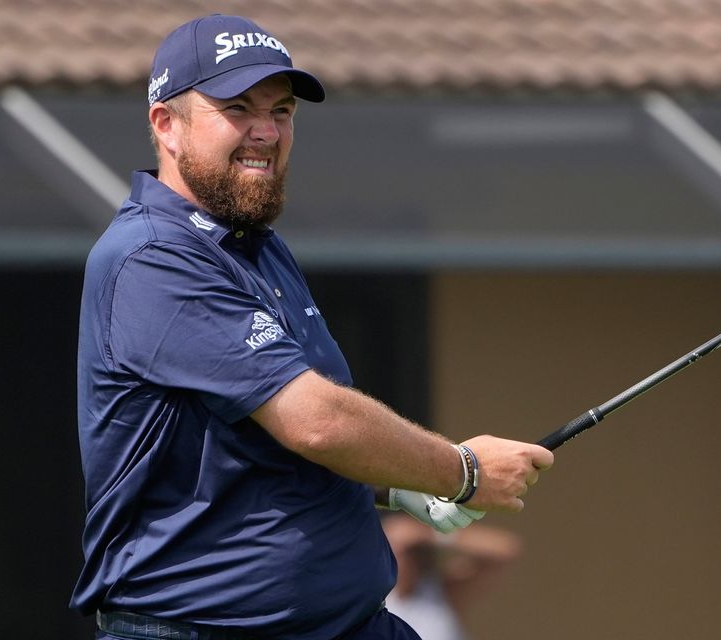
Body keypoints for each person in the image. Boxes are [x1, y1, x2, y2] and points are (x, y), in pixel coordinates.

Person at [70, 13, 555, 640]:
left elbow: (260, 448)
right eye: (238, 108)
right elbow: (316, 422)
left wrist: (396, 488)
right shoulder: (152, 257)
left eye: (282, 110)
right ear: (167, 123)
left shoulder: (252, 244)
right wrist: (459, 471)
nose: (266, 131)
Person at [382, 514, 522, 640]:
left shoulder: (440, 590)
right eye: (393, 549)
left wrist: (429, 534)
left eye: (412, 551)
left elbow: (505, 550)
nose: (403, 559)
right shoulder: (371, 602)